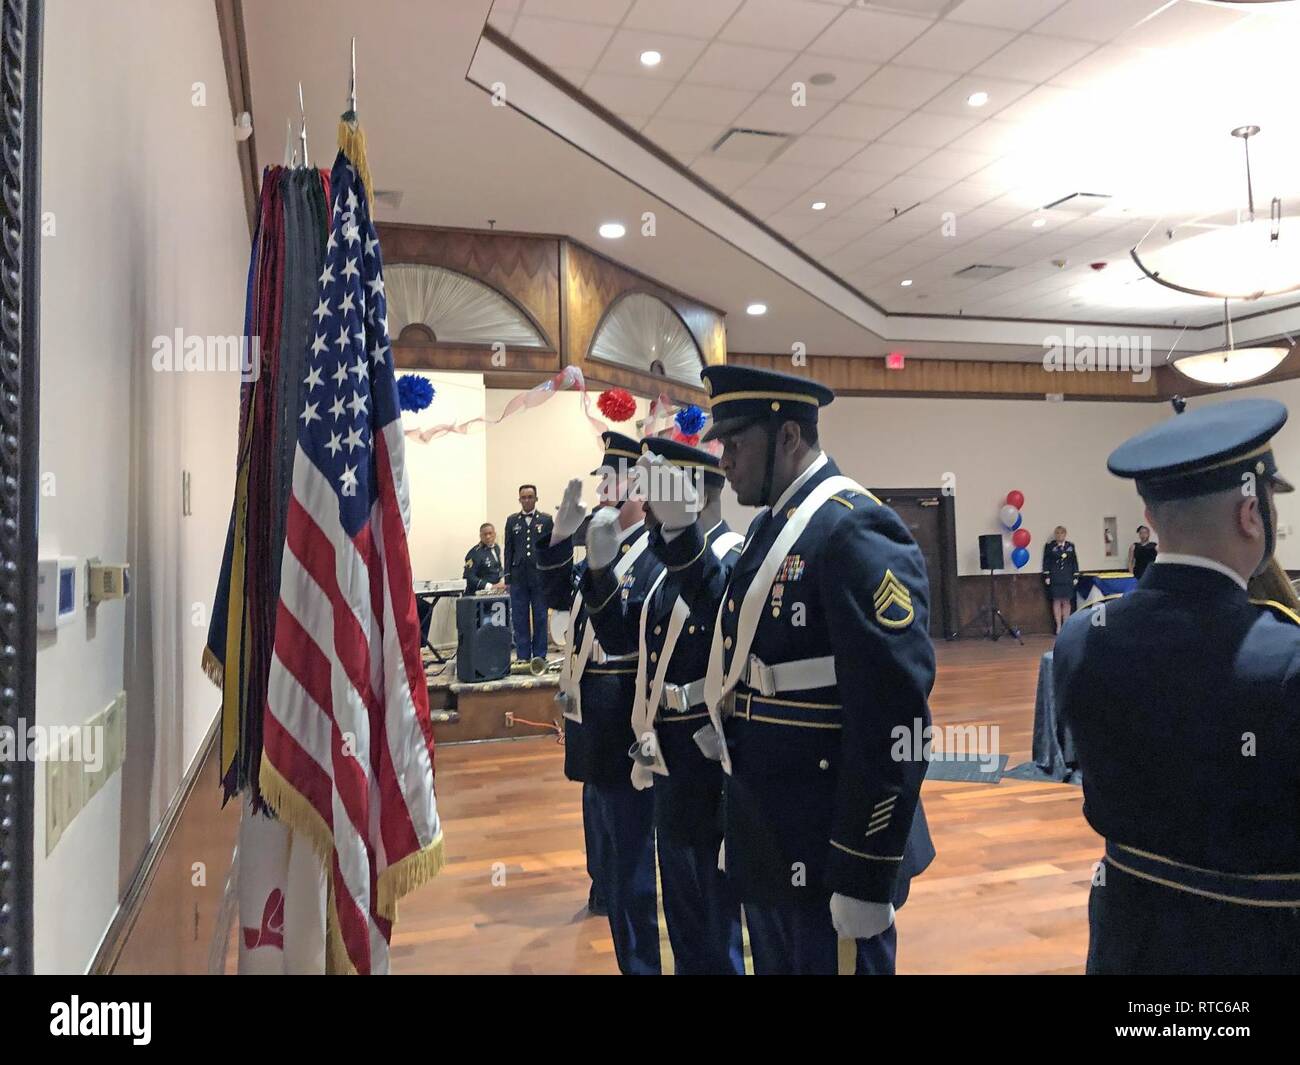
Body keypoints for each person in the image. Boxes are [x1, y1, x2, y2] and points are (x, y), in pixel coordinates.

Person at [645, 365, 936, 976]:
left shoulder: (851, 525)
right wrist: (677, 538)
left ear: (788, 438)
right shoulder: (778, 524)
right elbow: (733, 615)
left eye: (736, 441)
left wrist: (865, 868)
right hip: (773, 829)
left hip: (832, 840)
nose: (722, 460)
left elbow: (895, 713)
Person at [1054, 397, 1300, 975]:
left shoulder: (1083, 636)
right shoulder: (1286, 656)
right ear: (1250, 514)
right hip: (1258, 946)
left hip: (1129, 933)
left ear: (1153, 512)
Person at [584, 435, 745, 975]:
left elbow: (713, 596)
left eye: (659, 492)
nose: (646, 505)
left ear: (692, 495)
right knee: (681, 908)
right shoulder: (665, 569)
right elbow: (625, 640)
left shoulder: (731, 557)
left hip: (711, 753)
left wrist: (680, 541)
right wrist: (601, 576)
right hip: (669, 750)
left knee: (715, 910)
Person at [538, 432, 664, 975]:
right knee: (602, 827)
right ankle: (603, 894)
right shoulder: (603, 544)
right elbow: (557, 599)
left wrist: (598, 566)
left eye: (616, 482)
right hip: (591, 704)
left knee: (629, 843)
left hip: (624, 712)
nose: (604, 493)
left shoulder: (657, 553)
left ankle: (637, 955)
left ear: (642, 490)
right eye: (603, 482)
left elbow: (627, 630)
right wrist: (557, 544)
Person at [503, 484, 553, 664]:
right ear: (519, 500)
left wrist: (550, 575)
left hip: (539, 576)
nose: (526, 500)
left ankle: (540, 655)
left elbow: (550, 549)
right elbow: (508, 550)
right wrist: (507, 577)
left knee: (540, 615)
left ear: (536, 498)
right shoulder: (511, 521)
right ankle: (523, 655)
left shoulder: (546, 520)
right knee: (519, 617)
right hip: (518, 576)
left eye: (530, 497)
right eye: (523, 497)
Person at [1042, 525, 1080, 634]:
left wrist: (1076, 575)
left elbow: (1074, 562)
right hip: (1055, 577)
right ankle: (1058, 626)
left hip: (1067, 576)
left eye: (1061, 533)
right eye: (1057, 533)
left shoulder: (1070, 546)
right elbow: (1046, 561)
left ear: (1065, 534)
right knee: (1057, 600)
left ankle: (1066, 625)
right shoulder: (1050, 546)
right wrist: (1047, 576)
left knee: (1067, 601)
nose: (1059, 535)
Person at [463, 522, 504, 593]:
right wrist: (490, 586)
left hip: (495, 592)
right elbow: (469, 576)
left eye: (490, 533)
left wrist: (503, 580)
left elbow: (498, 567)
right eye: (485, 534)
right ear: (480, 536)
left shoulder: (496, 548)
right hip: (479, 594)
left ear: (495, 534)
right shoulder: (474, 553)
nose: (488, 536)